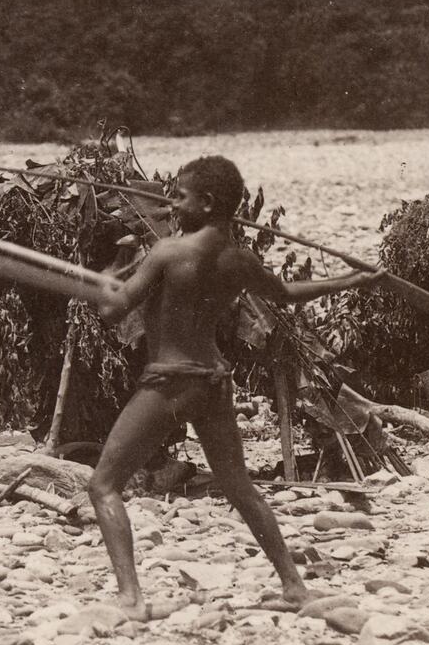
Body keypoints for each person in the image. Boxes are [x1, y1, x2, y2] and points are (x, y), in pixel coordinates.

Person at [92, 155, 383, 619]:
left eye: (179, 196)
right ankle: (293, 586)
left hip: (170, 382)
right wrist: (353, 279)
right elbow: (284, 295)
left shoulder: (169, 252)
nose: (171, 204)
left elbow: (113, 310)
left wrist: (109, 273)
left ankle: (130, 598)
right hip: (214, 383)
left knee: (104, 485)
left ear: (207, 203)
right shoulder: (240, 260)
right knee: (239, 486)